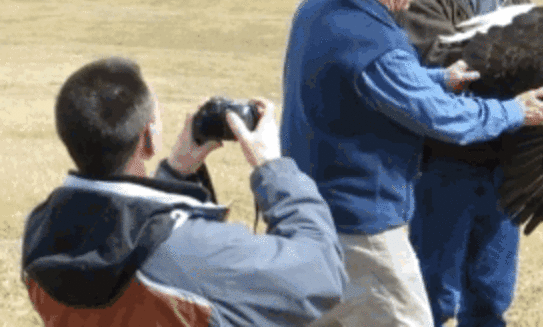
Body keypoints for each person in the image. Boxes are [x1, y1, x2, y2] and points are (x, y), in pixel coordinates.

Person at [279, 0, 543, 327]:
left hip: (310, 209)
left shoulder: (316, 8)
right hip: (361, 225)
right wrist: (513, 111)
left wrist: (437, 78)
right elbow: (443, 118)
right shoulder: (376, 43)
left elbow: (362, 80)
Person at [21, 57, 346, 326]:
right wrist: (273, 168)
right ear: (148, 138)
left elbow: (120, 233)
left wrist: (176, 173)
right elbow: (321, 274)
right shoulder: (197, 252)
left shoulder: (40, 231)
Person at [393, 0, 530, 327]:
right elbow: (447, 61)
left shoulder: (513, 0)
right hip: (444, 167)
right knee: (433, 297)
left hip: (503, 169)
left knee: (491, 297)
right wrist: (516, 61)